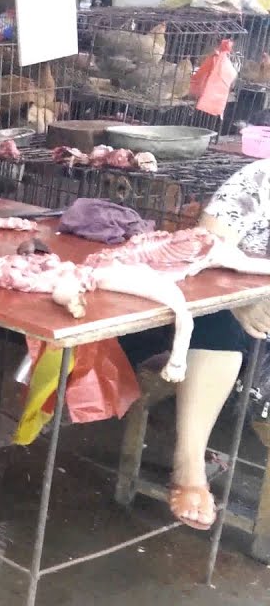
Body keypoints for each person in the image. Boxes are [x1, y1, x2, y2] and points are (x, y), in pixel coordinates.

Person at [118, 158, 270, 530]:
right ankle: (189, 464)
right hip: (236, 309)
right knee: (216, 316)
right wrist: (243, 298)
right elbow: (204, 247)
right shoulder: (260, 181)